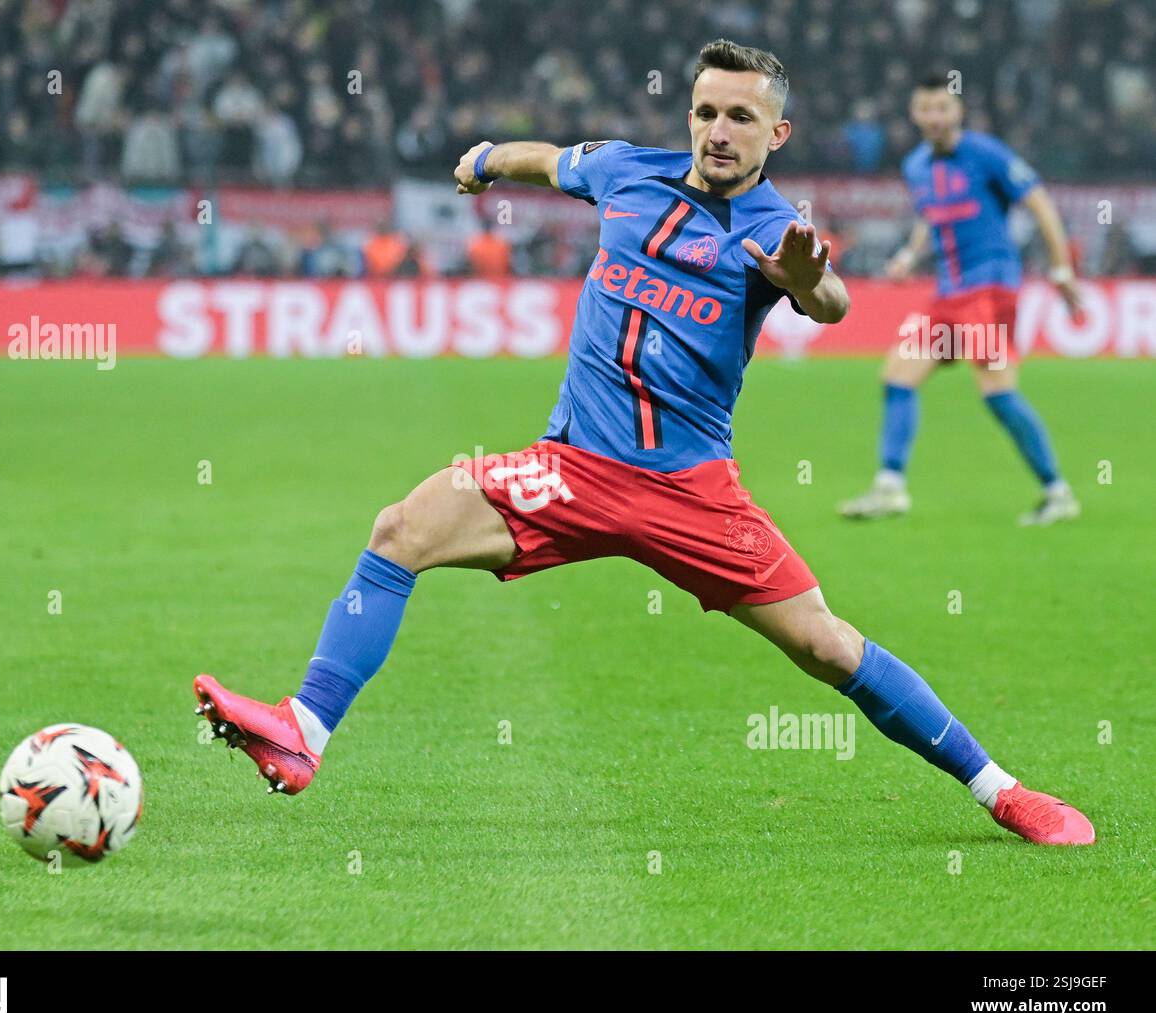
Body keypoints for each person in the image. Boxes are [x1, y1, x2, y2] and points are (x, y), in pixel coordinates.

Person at [193, 40, 1094, 846]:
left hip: (691, 492)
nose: (719, 130)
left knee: (826, 647)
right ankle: (302, 731)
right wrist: (484, 162)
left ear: (777, 134)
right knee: (401, 528)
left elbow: (831, 303)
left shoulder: (774, 234)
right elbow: (549, 159)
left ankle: (1002, 792)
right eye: (706, 111)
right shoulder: (627, 171)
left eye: (742, 116)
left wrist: (811, 287)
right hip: (572, 468)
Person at [839, 72, 1083, 525]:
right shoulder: (915, 165)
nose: (934, 117)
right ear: (914, 114)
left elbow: (1041, 204)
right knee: (898, 374)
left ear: (958, 112)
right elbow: (929, 218)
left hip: (988, 290)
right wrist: (910, 256)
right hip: (948, 296)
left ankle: (1058, 491)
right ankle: (890, 487)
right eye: (926, 109)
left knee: (996, 391)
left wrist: (1061, 269)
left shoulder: (985, 153)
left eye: (942, 108)